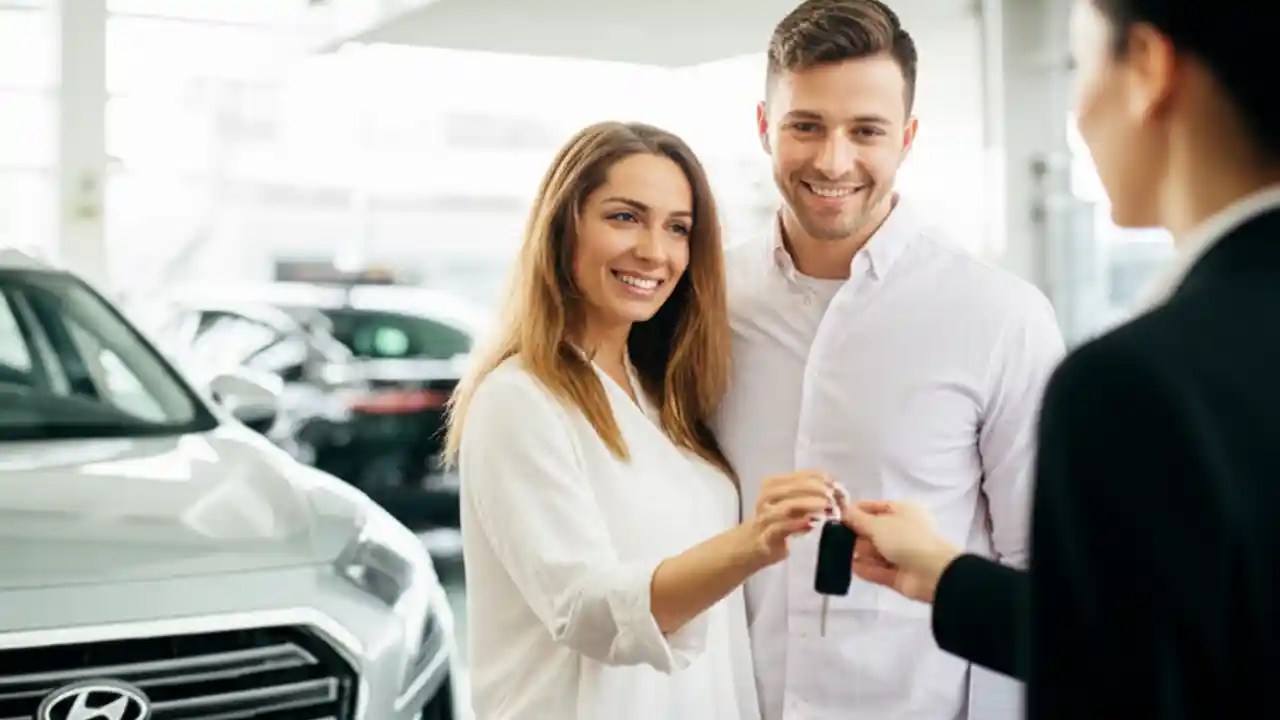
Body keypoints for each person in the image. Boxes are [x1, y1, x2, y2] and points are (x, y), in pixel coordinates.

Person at [844, 0, 1280, 718]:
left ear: (1148, 67)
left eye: (1079, 66)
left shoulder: (1137, 385)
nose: (1075, 114)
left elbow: (1124, 681)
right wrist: (949, 576)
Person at [711, 1, 1066, 718]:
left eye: (865, 131)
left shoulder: (1001, 317)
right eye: (804, 125)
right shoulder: (706, 300)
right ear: (762, 128)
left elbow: (1047, 571)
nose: (832, 160)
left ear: (905, 139)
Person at [443, 121, 838, 720]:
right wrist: (751, 542)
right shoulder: (518, 400)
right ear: (564, 223)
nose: (655, 251)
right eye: (625, 216)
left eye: (677, 228)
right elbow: (585, 610)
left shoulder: (661, 399)